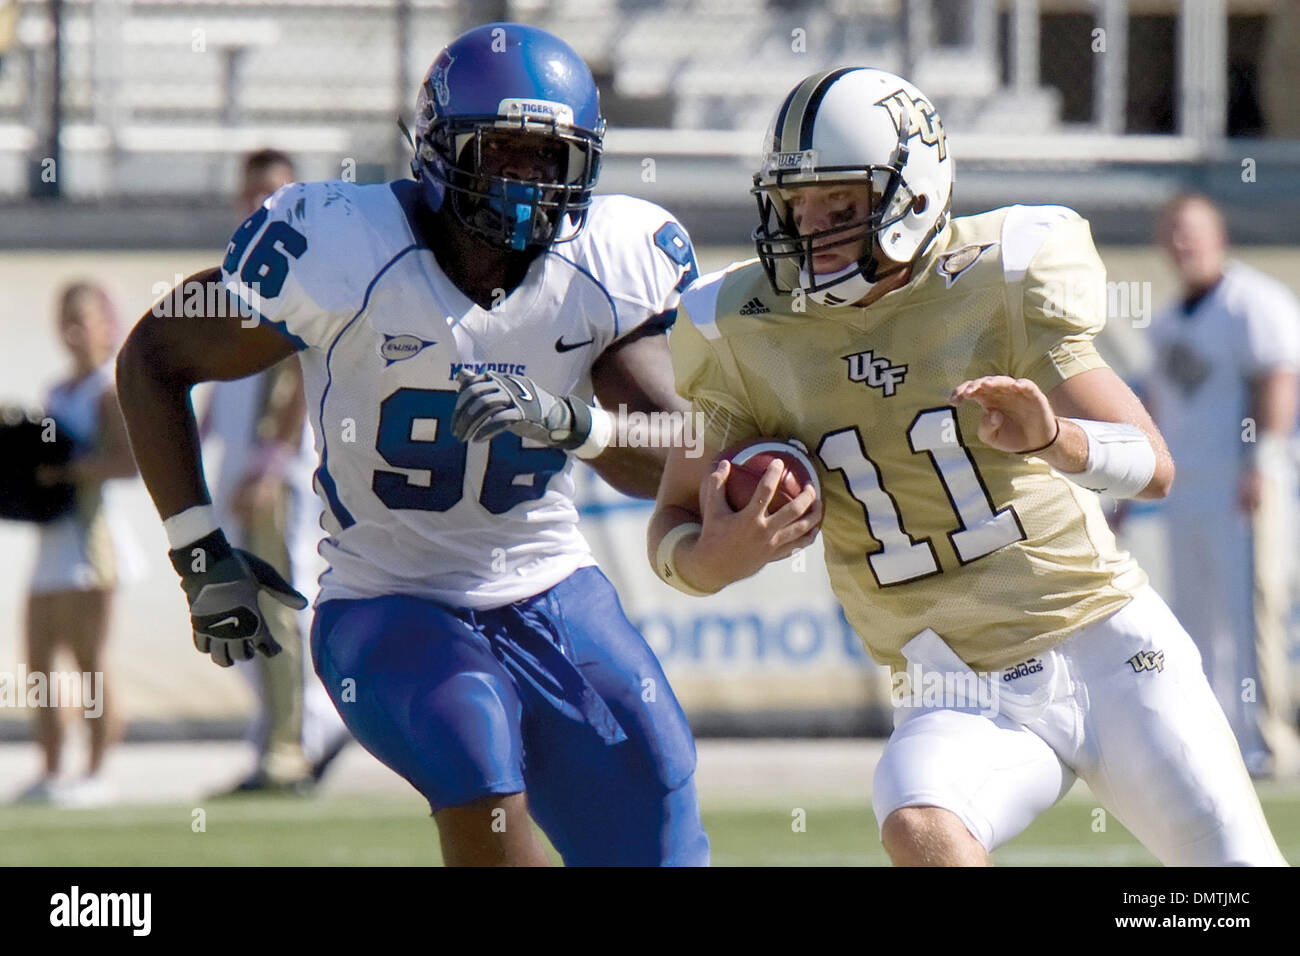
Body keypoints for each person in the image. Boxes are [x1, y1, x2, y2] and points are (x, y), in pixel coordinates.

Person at [649, 67, 1286, 866]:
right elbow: (671, 531)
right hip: (953, 685)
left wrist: (1056, 437)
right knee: (922, 826)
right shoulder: (739, 330)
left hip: (1107, 646)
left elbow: (1154, 467)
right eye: (793, 205)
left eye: (839, 206)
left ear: (911, 193)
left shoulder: (999, 276)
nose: (810, 232)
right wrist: (715, 558)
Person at [115, 22, 708, 866]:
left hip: (547, 582)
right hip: (388, 599)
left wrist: (580, 425)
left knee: (658, 785)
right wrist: (199, 553)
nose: (528, 181)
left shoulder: (608, 261)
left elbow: (673, 451)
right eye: (503, 151)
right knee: (475, 739)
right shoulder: (341, 248)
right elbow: (153, 356)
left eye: (549, 158)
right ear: (437, 149)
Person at [201, 148, 351, 794]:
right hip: (238, 467)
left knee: (275, 603)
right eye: (251, 191)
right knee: (240, 611)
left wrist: (271, 460)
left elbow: (295, 368)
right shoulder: (236, 271)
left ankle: (293, 746)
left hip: (275, 473)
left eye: (273, 191)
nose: (259, 203)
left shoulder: (293, 269)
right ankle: (288, 733)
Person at [1145, 193, 1300, 779]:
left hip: (1243, 487)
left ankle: (1266, 742)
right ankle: (1214, 742)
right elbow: (1159, 407)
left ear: (1218, 236)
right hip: (1189, 490)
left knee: (1250, 611)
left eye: (1193, 231)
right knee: (1194, 621)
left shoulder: (1252, 303)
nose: (1183, 244)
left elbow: (1276, 379)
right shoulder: (1164, 322)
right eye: (1173, 233)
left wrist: (1261, 458)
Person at [19, 281, 140, 807]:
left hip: (93, 541)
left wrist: (69, 471)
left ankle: (97, 770)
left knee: (89, 659)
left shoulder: (109, 389)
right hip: (52, 539)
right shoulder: (56, 390)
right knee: (40, 658)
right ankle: (50, 768)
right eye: (64, 319)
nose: (72, 331)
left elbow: (128, 464)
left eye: (82, 319)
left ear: (104, 324)